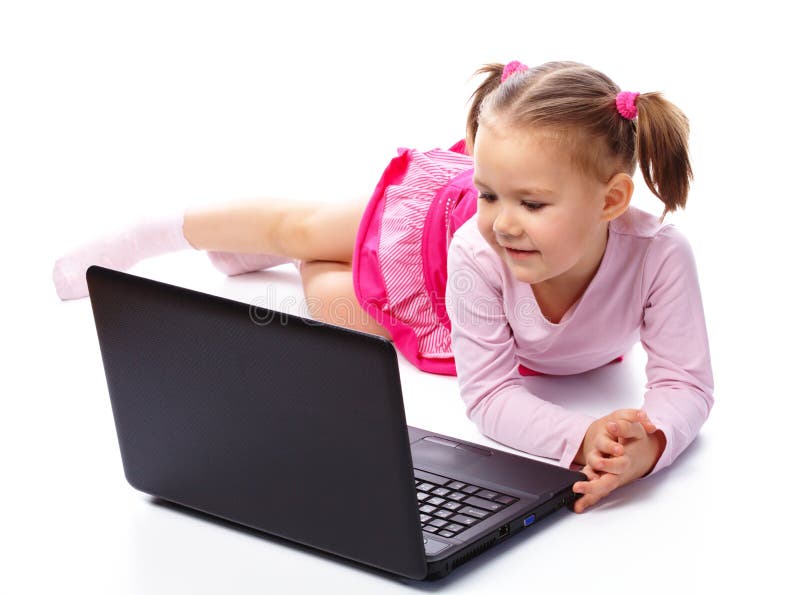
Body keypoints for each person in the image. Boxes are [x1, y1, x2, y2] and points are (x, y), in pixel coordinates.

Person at [53, 60, 714, 513]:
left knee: (347, 312)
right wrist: (576, 437)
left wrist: (649, 442)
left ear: (611, 200)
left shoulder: (660, 257)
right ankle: (158, 232)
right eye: (490, 193)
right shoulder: (478, 243)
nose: (505, 222)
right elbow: (488, 394)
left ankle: (310, 262)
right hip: (426, 230)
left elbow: (686, 382)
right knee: (303, 225)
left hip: (463, 304)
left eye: (533, 204)